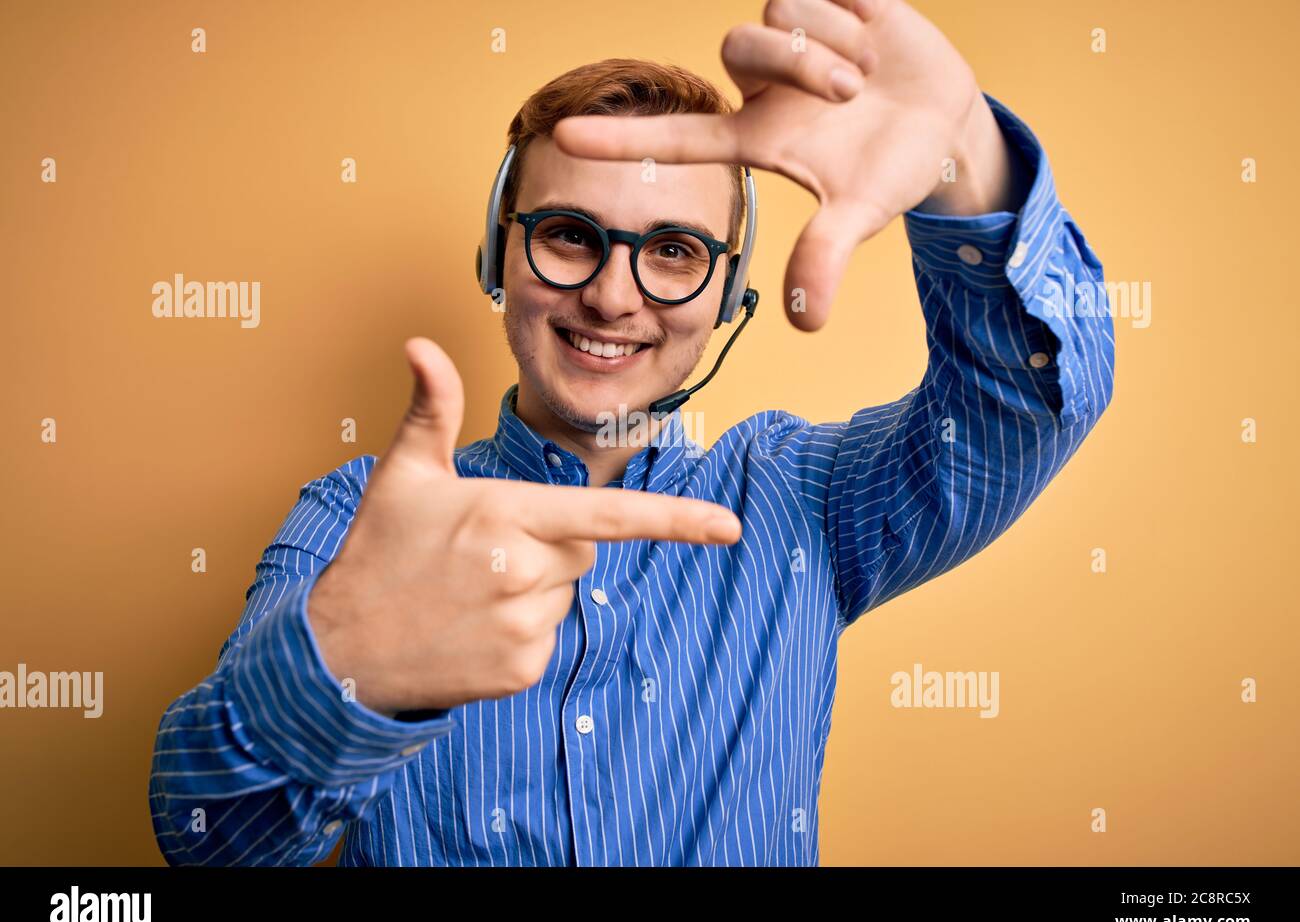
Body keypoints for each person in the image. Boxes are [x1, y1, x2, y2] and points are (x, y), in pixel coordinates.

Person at [150, 0, 1115, 866]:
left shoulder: (804, 505)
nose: (614, 297)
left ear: (729, 292)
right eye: (570, 233)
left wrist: (963, 159)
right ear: (499, 250)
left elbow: (1022, 406)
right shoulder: (359, 521)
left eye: (673, 251)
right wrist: (342, 670)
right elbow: (205, 838)